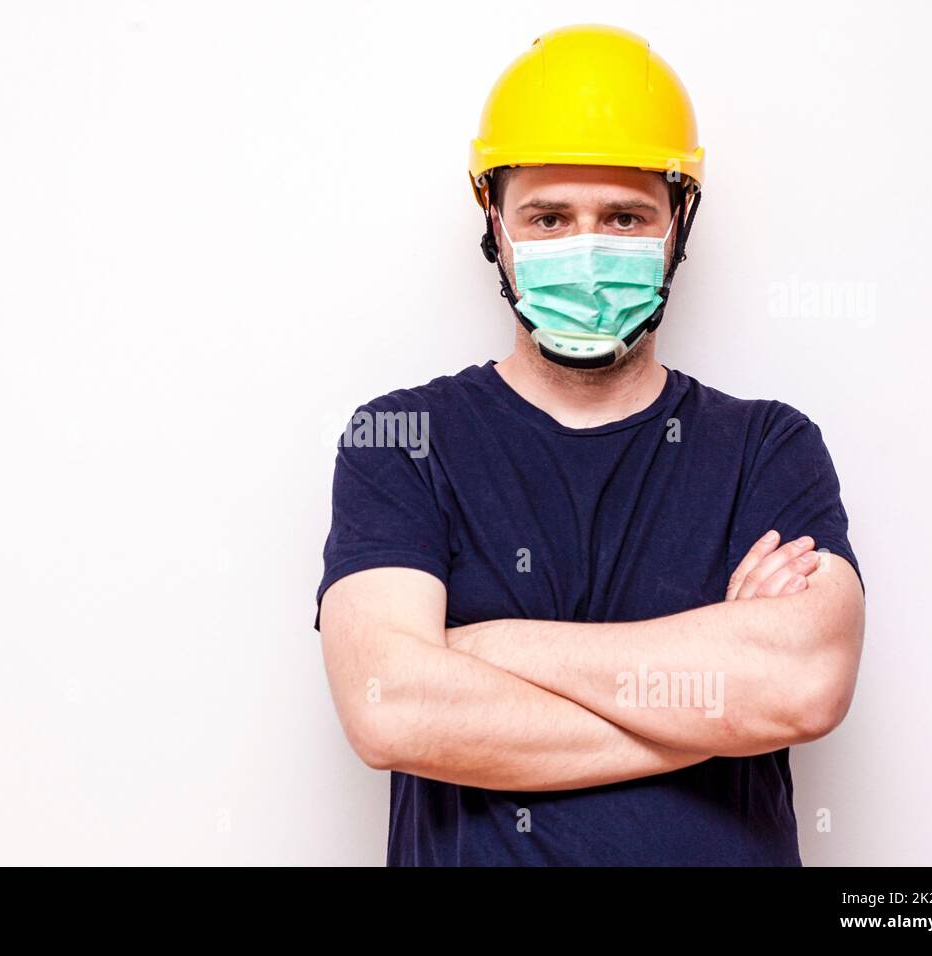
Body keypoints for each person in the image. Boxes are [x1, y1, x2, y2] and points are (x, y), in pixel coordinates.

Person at [315, 23, 865, 866]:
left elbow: (803, 685)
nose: (587, 249)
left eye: (624, 217)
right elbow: (392, 710)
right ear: (495, 224)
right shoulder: (403, 442)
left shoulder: (768, 447)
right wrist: (714, 705)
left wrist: (488, 648)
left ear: (679, 223)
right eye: (549, 217)